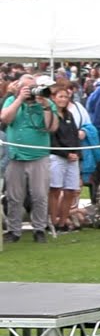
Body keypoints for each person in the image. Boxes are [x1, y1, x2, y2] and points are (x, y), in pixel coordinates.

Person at [2, 74, 57, 243]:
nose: (32, 91)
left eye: (33, 87)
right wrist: (19, 99)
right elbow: (5, 118)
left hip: (38, 156)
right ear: (19, 88)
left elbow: (52, 127)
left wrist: (46, 107)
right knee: (14, 196)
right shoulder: (12, 100)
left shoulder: (46, 103)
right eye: (27, 88)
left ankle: (39, 229)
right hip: (15, 156)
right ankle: (14, 231)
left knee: (40, 195)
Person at [47, 83, 83, 233]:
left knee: (71, 190)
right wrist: (65, 153)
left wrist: (75, 153)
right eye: (60, 96)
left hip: (72, 157)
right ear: (54, 98)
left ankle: (63, 222)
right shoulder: (51, 115)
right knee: (55, 189)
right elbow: (52, 138)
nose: (63, 99)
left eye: (66, 96)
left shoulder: (69, 115)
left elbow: (75, 135)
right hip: (57, 156)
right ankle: (52, 221)